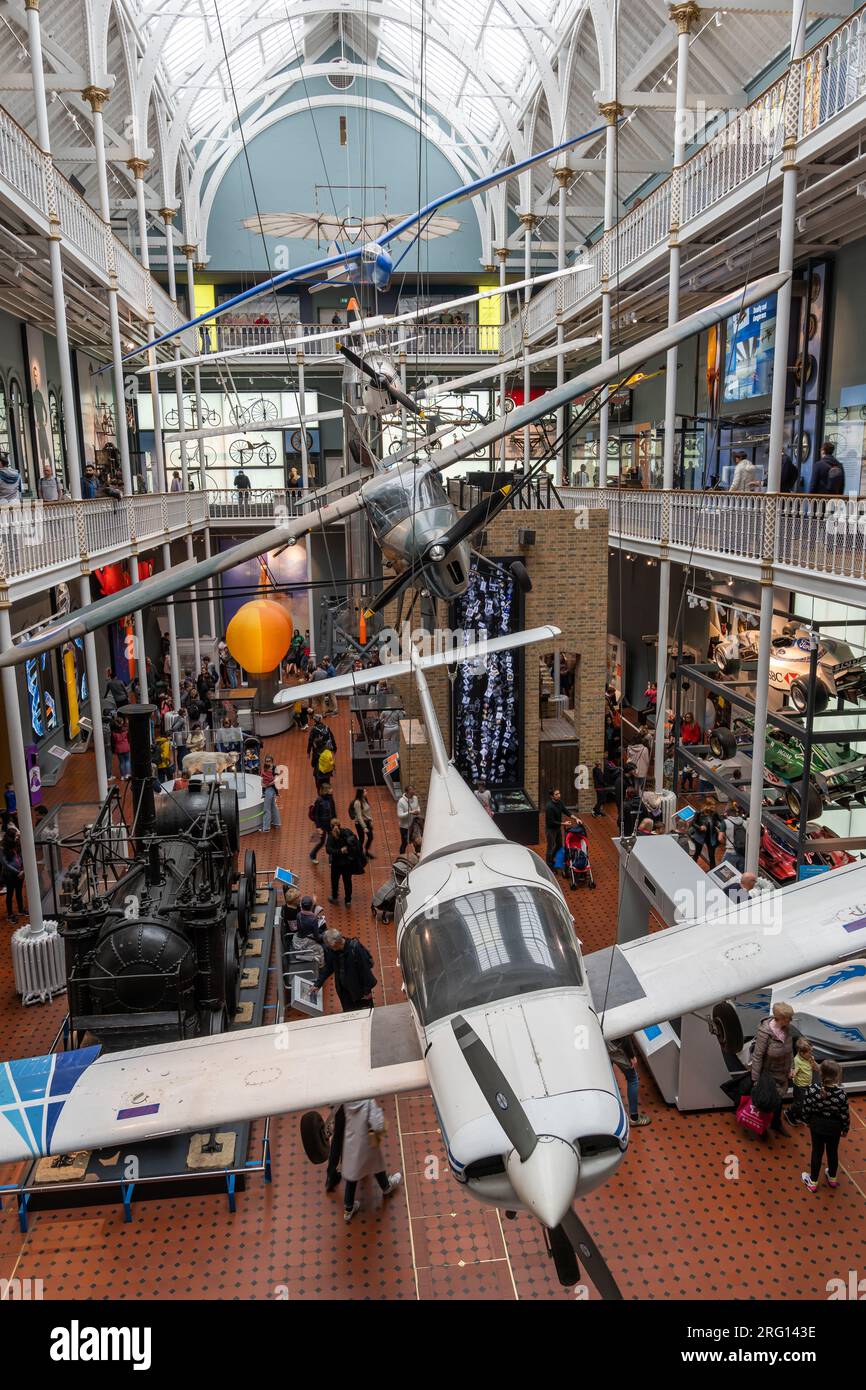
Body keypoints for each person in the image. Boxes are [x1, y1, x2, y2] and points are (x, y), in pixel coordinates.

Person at [339, 1097, 402, 1223]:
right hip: (367, 1143)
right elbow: (377, 1125)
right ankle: (386, 1186)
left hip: (351, 1141)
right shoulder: (368, 1101)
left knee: (353, 1174)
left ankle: (348, 1208)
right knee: (377, 1165)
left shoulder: (346, 1100)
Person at [801, 1059, 850, 1193]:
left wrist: (806, 1120)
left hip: (817, 1126)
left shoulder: (812, 1090)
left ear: (820, 1074)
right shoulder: (841, 1094)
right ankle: (832, 1178)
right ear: (837, 1076)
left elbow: (807, 1107)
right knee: (832, 1152)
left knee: (817, 1152)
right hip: (834, 1128)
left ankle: (813, 1182)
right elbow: (844, 1113)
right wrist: (845, 1128)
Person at [750, 1001, 795, 1135]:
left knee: (779, 1101)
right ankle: (761, 1128)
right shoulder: (765, 1032)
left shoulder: (787, 1028)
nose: (791, 1021)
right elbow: (757, 1056)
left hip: (782, 1073)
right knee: (767, 1102)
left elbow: (790, 1051)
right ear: (779, 1019)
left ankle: (776, 1123)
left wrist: (792, 1067)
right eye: (788, 1018)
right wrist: (756, 1080)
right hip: (768, 1075)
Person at [312, 928, 376, 1012]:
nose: (329, 948)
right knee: (348, 1012)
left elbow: (365, 971)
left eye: (330, 946)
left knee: (364, 1012)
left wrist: (367, 992)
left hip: (360, 992)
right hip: (344, 992)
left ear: (336, 944)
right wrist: (318, 984)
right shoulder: (333, 951)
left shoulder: (355, 949)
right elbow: (329, 967)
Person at [607, 1037, 651, 1128]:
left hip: (604, 1043)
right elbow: (624, 1037)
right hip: (615, 1047)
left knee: (609, 1078)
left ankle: (609, 1114)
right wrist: (632, 1056)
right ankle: (634, 1118)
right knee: (633, 1079)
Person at [326, 817, 362, 906]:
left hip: (336, 864)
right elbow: (355, 843)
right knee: (347, 882)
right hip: (347, 863)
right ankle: (348, 900)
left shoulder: (331, 836)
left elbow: (328, 850)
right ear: (340, 825)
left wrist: (338, 851)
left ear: (331, 826)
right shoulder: (347, 832)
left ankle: (334, 897)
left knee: (334, 881)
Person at [787, 1036, 816, 1125]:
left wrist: (813, 1063)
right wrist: (792, 1074)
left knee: (805, 1102)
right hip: (800, 1087)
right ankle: (789, 1113)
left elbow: (815, 1069)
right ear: (801, 1053)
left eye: (811, 1051)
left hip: (808, 1085)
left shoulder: (809, 1058)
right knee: (798, 1103)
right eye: (809, 1052)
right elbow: (793, 1073)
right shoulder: (797, 1061)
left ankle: (800, 1116)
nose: (811, 1054)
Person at [1, 826, 25, 924]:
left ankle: (21, 910)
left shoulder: (16, 844)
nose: (17, 838)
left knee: (19, 892)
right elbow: (5, 864)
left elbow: (20, 856)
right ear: (10, 837)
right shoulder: (2, 848)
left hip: (20, 873)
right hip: (10, 875)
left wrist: (23, 869)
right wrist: (18, 872)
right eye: (16, 836)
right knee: (10, 894)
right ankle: (10, 914)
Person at [544, 788, 571, 866]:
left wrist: (575, 818)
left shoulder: (560, 802)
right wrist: (564, 823)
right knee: (551, 847)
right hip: (550, 830)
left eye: (559, 793)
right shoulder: (549, 807)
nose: (559, 795)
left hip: (557, 828)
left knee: (559, 846)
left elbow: (566, 811)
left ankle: (552, 859)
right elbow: (551, 822)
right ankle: (549, 865)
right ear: (552, 796)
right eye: (556, 794)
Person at [310, 782, 336, 862]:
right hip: (322, 824)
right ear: (326, 790)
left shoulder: (330, 798)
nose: (332, 790)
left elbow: (333, 810)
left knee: (331, 840)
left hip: (330, 823)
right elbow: (316, 815)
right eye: (330, 789)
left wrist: (335, 822)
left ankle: (331, 859)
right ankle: (312, 855)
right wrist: (318, 827)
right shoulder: (319, 800)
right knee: (321, 841)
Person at [350, 787, 375, 857]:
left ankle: (366, 851)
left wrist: (371, 821)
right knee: (361, 839)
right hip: (360, 823)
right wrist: (364, 827)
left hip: (367, 821)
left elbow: (368, 812)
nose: (366, 792)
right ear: (360, 793)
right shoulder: (357, 803)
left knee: (370, 837)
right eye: (364, 792)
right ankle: (359, 853)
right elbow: (359, 816)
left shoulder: (364, 799)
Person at [396, 784, 421, 853]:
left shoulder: (415, 798)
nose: (413, 793)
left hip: (414, 825)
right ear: (407, 792)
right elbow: (400, 815)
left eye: (414, 791)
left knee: (417, 842)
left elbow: (418, 807)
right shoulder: (401, 802)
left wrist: (418, 811)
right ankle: (401, 856)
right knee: (405, 843)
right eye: (411, 792)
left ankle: (418, 856)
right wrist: (410, 812)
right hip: (405, 827)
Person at [261, 754, 281, 833]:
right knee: (273, 806)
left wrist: (268, 784)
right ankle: (277, 823)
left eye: (269, 761)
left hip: (270, 789)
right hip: (267, 788)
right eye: (266, 761)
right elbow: (262, 778)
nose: (267, 762)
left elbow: (276, 779)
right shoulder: (265, 768)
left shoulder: (275, 768)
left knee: (266, 808)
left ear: (272, 762)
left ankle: (266, 827)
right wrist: (262, 783)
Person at [111, 715, 131, 780]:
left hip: (118, 748)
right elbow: (129, 738)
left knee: (121, 762)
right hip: (126, 747)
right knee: (127, 761)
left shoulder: (114, 732)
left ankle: (122, 775)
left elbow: (113, 741)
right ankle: (127, 774)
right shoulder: (125, 731)